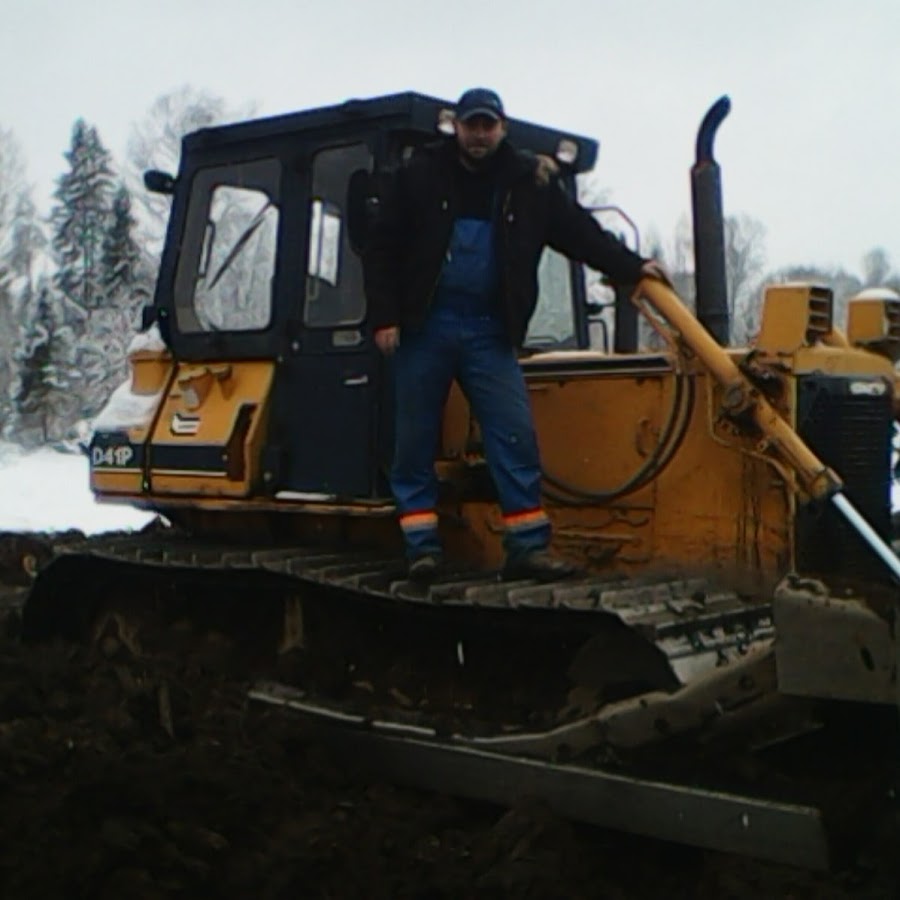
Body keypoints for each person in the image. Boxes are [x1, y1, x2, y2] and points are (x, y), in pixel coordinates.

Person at [364, 87, 668, 583]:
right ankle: (421, 546)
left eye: (488, 125)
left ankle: (526, 546)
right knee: (414, 440)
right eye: (471, 125)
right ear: (457, 128)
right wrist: (385, 317)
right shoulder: (420, 174)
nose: (479, 134)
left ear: (501, 128)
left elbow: (580, 233)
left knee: (514, 435)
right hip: (428, 326)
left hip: (488, 330)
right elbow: (381, 247)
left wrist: (633, 266)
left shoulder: (530, 183)